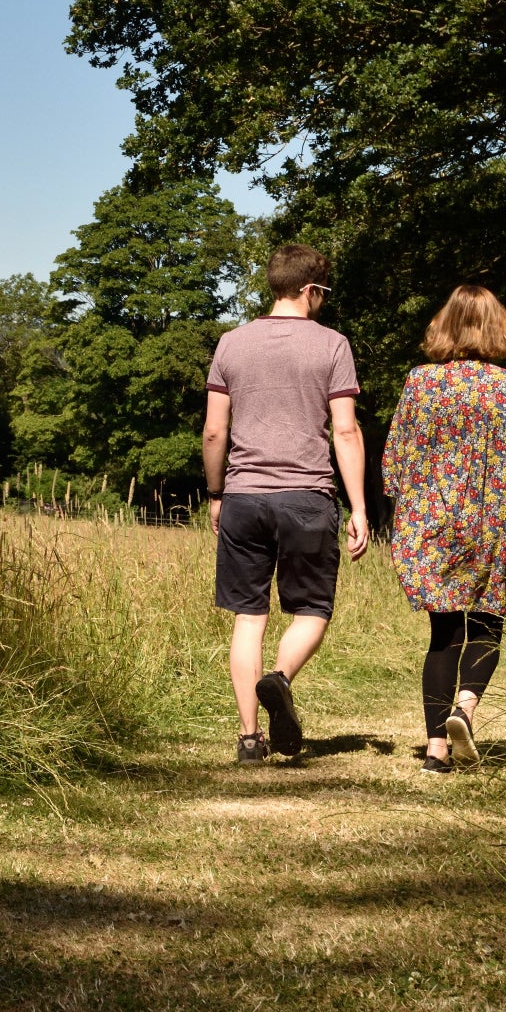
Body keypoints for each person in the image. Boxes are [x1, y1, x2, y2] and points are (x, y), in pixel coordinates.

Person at [201, 242, 372, 764]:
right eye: (324, 292)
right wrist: (359, 507)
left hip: (243, 497)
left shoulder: (231, 343)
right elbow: (346, 431)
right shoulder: (333, 345)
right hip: (308, 497)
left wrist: (216, 494)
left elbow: (214, 431)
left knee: (248, 617)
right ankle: (279, 678)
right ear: (309, 289)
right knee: (313, 609)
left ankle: (249, 739)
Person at [384, 285, 506, 772]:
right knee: (488, 622)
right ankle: (464, 709)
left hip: (428, 521)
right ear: (497, 327)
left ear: (444, 324)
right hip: (487, 520)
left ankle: (435, 751)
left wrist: (411, 507)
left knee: (443, 631)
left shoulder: (419, 381)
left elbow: (394, 462)